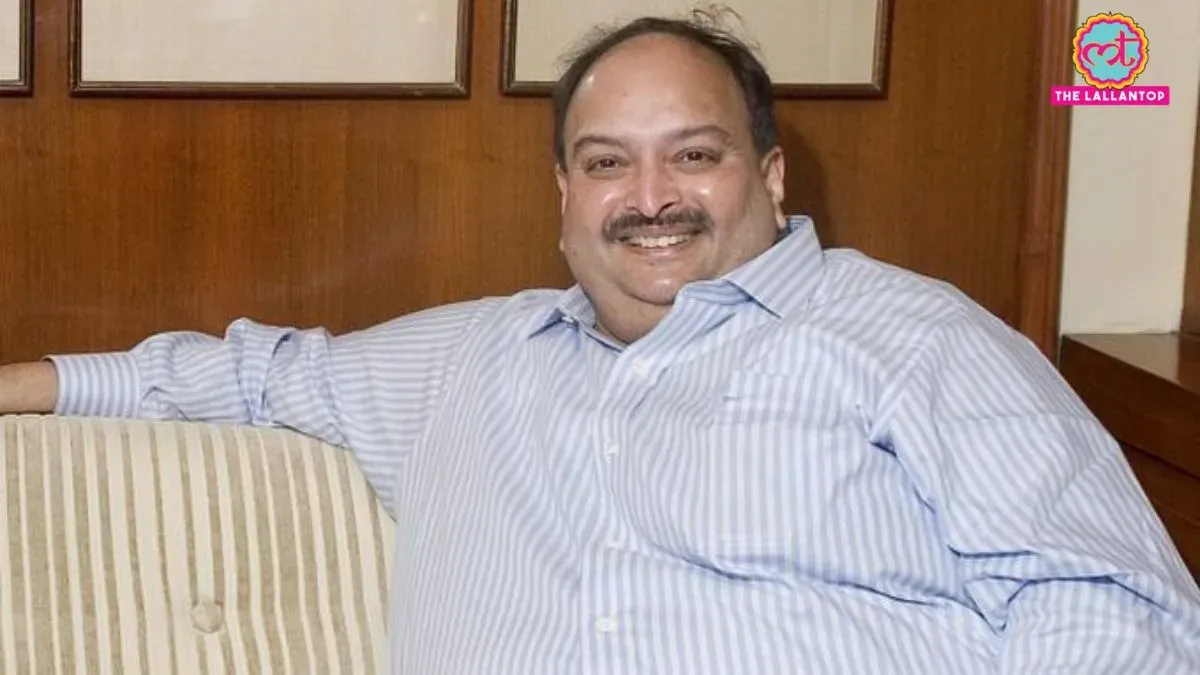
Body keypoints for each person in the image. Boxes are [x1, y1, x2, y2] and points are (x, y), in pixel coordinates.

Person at [3, 13, 1200, 675]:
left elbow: (1117, 617)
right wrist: (25, 383)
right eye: (608, 162)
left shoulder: (915, 337)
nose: (652, 198)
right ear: (565, 198)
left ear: (772, 175)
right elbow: (247, 373)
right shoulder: (472, 359)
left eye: (695, 154)